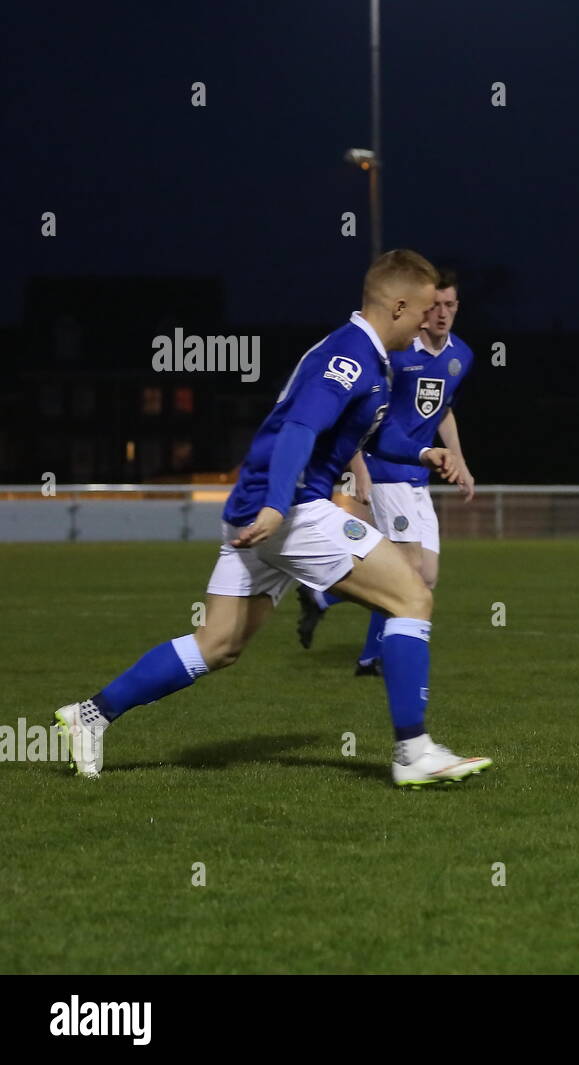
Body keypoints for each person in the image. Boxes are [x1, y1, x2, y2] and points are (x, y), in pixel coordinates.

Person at [52, 251, 493, 788]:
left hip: (264, 509)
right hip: (292, 509)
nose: (430, 320)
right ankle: (412, 750)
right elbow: (298, 431)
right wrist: (279, 505)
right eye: (425, 309)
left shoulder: (373, 358)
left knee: (217, 646)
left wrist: (426, 455)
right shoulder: (350, 355)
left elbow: (366, 436)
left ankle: (90, 715)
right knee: (413, 596)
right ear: (399, 306)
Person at [296, 270, 475, 675]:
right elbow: (360, 414)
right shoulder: (396, 354)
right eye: (436, 306)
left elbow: (443, 408)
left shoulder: (460, 356)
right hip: (388, 470)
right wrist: (358, 467)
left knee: (426, 576)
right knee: (408, 571)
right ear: (422, 308)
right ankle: (374, 658)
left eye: (451, 305)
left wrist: (459, 459)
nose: (442, 314)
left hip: (419, 475)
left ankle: (322, 597)